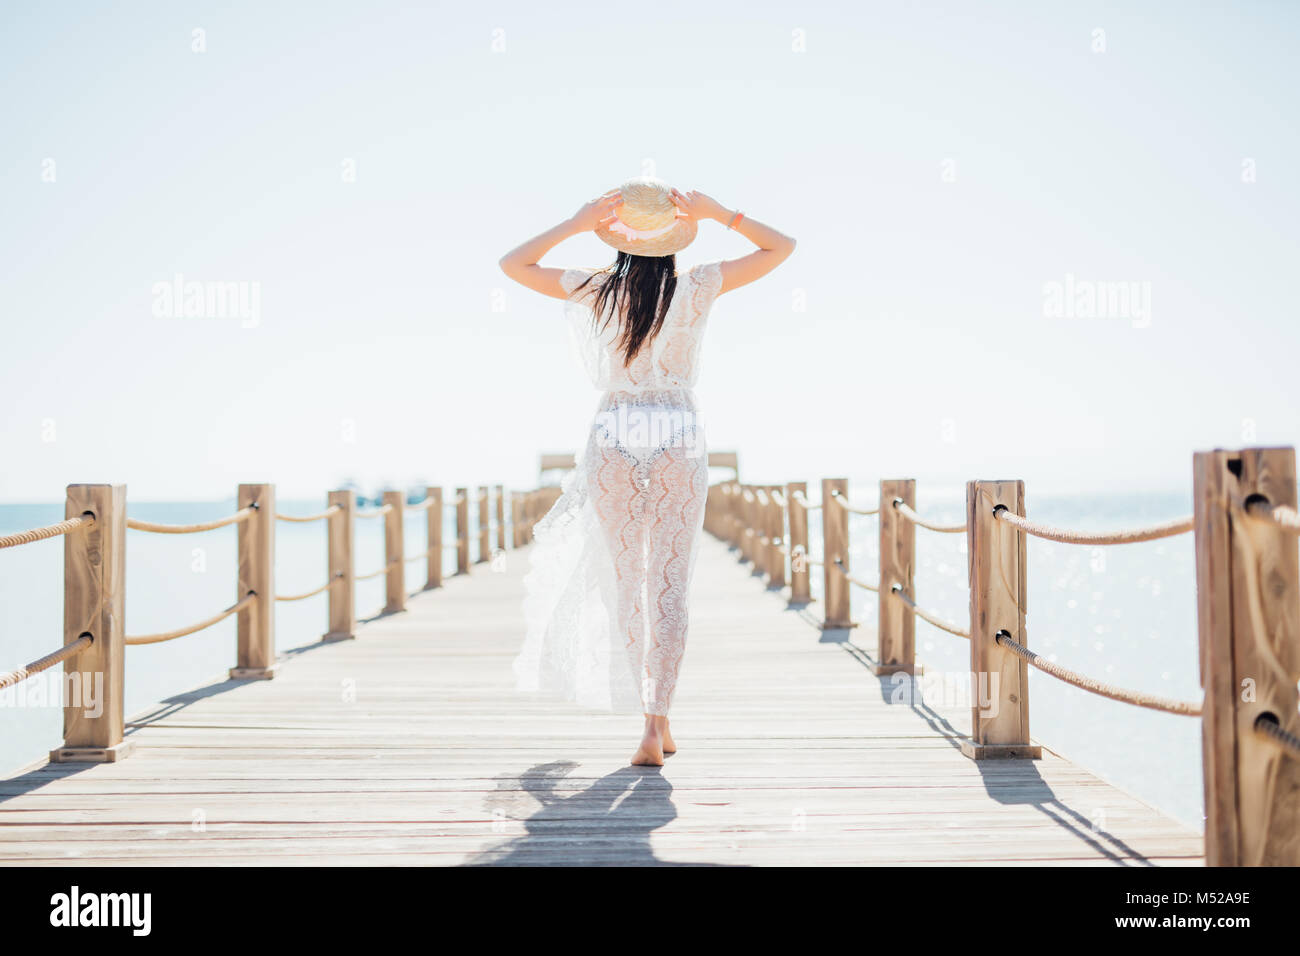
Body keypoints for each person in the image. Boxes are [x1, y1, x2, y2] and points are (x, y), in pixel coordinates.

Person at [499, 176, 795, 765]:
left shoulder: (597, 288)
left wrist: (577, 222)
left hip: (614, 430)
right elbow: (780, 247)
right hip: (677, 431)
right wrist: (719, 213)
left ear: (619, 241)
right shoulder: (700, 285)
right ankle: (656, 723)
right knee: (668, 582)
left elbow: (513, 264)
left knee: (626, 579)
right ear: (675, 240)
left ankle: (650, 720)